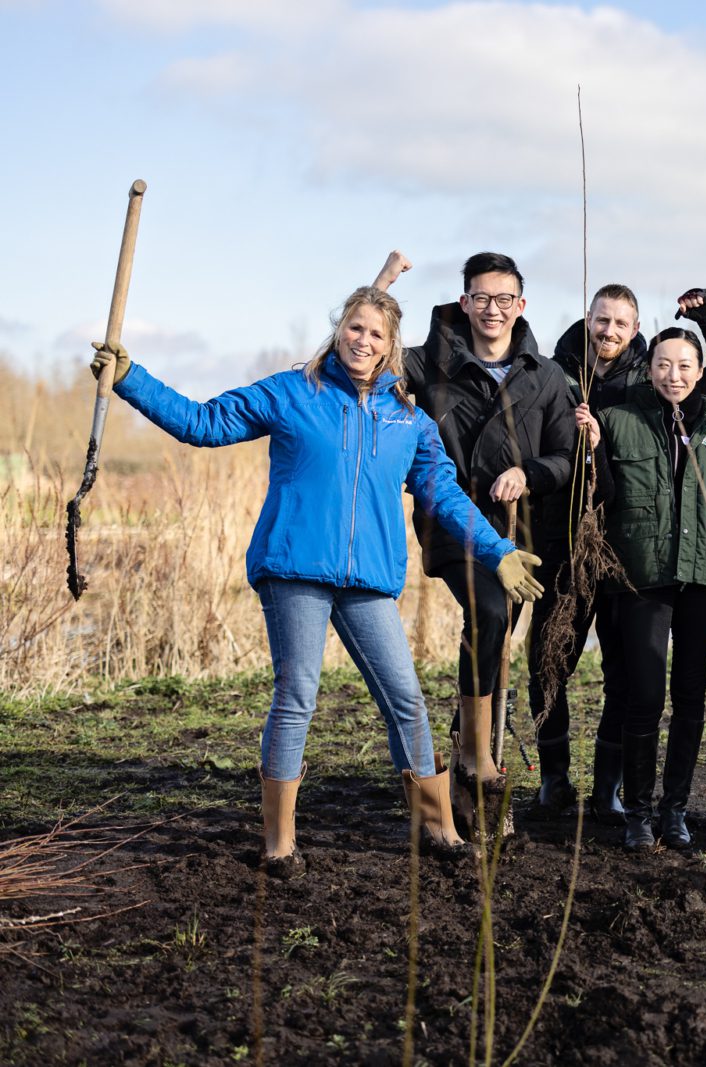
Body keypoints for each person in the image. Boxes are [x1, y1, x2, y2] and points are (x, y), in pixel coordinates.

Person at [90, 287, 542, 879]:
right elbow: (202, 422)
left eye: (377, 335)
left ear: (390, 348)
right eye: (355, 328)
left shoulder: (408, 420)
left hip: (368, 581)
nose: (363, 340)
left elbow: (446, 497)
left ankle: (440, 832)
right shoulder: (291, 392)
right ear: (339, 330)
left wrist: (498, 552)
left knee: (405, 698)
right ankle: (279, 843)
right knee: (297, 696)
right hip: (294, 569)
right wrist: (131, 378)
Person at [372, 251, 575, 834]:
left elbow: (564, 457)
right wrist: (382, 284)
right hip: (454, 522)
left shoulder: (546, 375)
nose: (492, 309)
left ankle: (469, 743)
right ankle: (476, 757)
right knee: (488, 613)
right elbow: (362, 353)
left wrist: (530, 473)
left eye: (504, 299)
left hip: (519, 534)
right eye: (481, 298)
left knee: (498, 619)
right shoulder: (428, 361)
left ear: (521, 305)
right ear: (464, 302)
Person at [539, 285, 706, 819]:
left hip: (679, 573)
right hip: (611, 566)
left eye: (684, 366)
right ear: (587, 320)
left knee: (660, 690)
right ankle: (579, 790)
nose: (673, 374)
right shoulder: (568, 380)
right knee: (583, 673)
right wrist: (590, 448)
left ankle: (648, 803)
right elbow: (600, 487)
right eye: (601, 320)